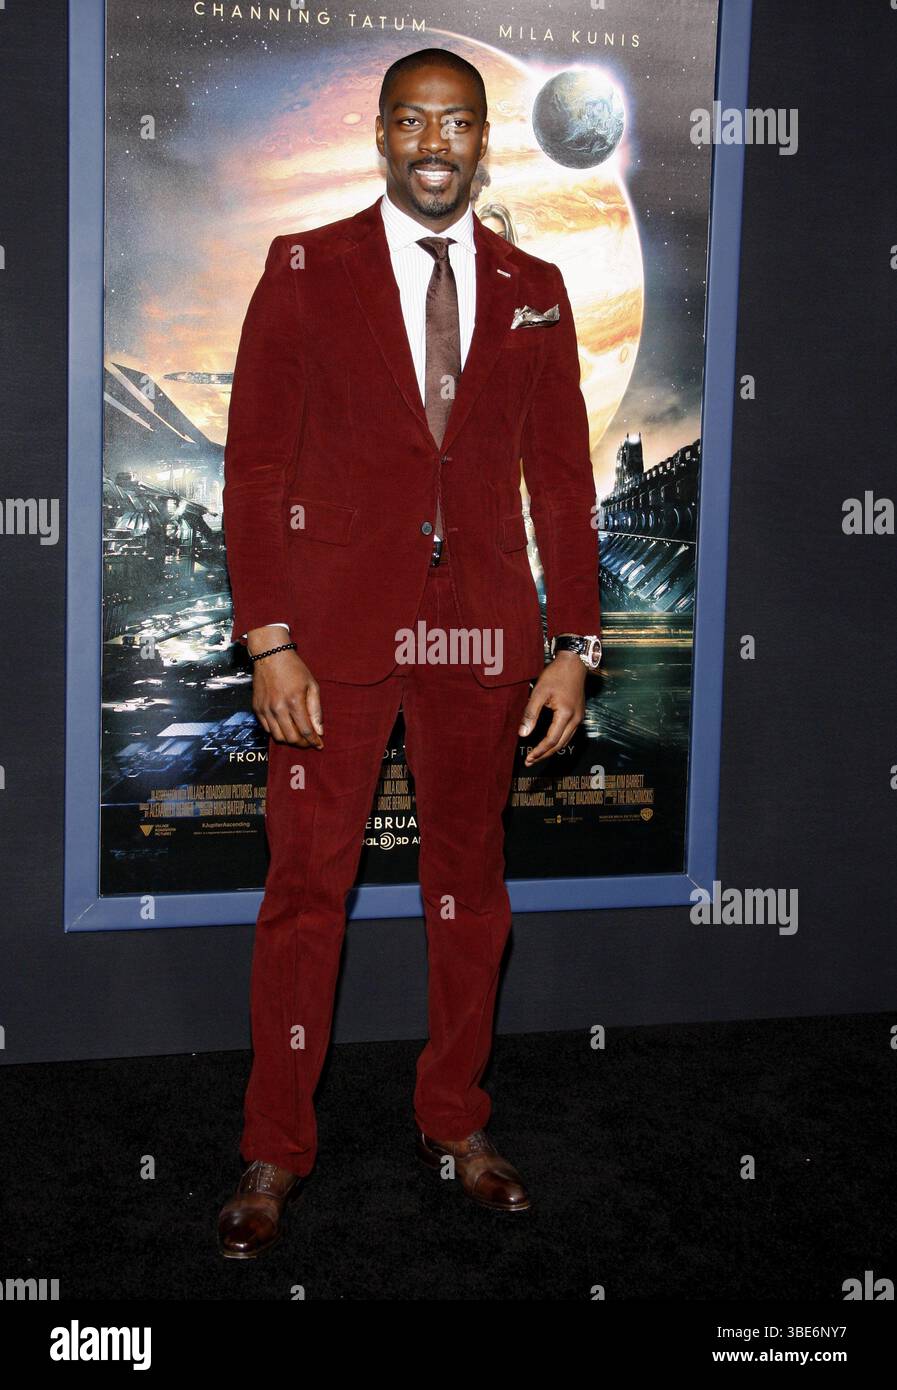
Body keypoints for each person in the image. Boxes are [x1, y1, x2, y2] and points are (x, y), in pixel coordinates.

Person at [217, 47, 602, 1259]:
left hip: (484, 641)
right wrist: (270, 638)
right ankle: (275, 1145)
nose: (435, 142)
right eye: (412, 121)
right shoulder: (302, 269)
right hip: (329, 646)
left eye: (458, 123)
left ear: (484, 140)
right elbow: (255, 466)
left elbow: (566, 483)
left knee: (469, 896)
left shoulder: (535, 284)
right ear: (381, 134)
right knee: (304, 896)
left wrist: (574, 644)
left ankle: (457, 1124)